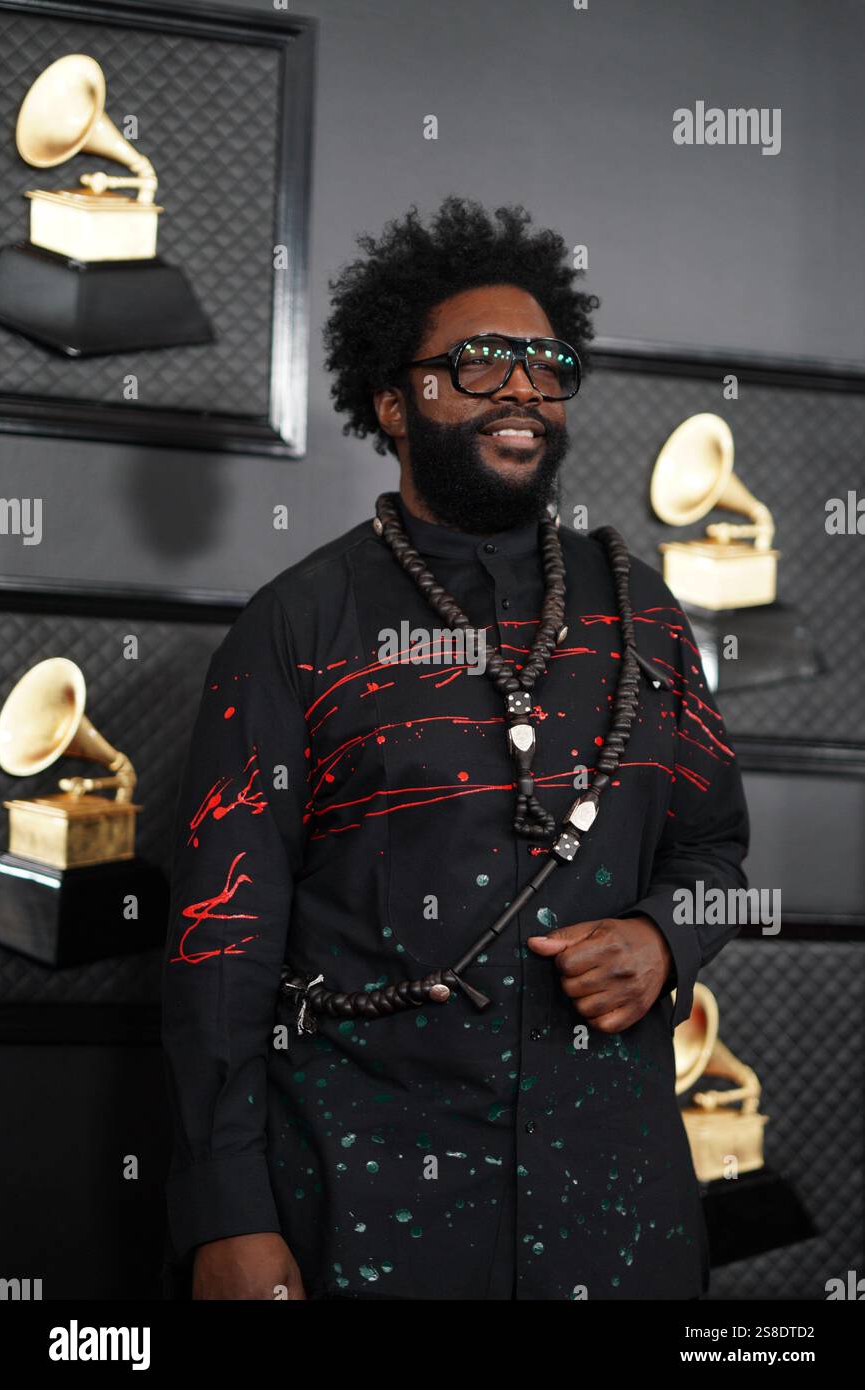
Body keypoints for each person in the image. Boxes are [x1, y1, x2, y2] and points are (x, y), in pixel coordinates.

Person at [160, 197, 749, 1301]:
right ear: (393, 399)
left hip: (615, 1212)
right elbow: (218, 943)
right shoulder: (296, 624)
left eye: (544, 362)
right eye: (479, 363)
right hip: (362, 1201)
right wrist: (224, 1213)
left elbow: (717, 858)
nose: (522, 386)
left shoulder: (646, 616)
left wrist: (663, 939)